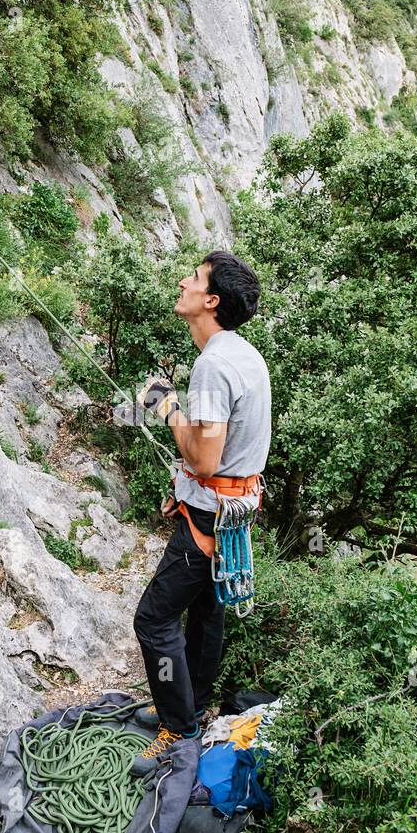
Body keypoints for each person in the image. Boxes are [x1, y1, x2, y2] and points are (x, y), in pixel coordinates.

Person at [130, 250, 271, 774]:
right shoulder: (244, 354)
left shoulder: (213, 365)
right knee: (207, 614)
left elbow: (207, 456)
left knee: (154, 620)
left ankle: (177, 728)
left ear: (210, 300)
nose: (183, 282)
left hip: (212, 517)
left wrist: (166, 408)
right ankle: (194, 704)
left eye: (193, 277)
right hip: (234, 512)